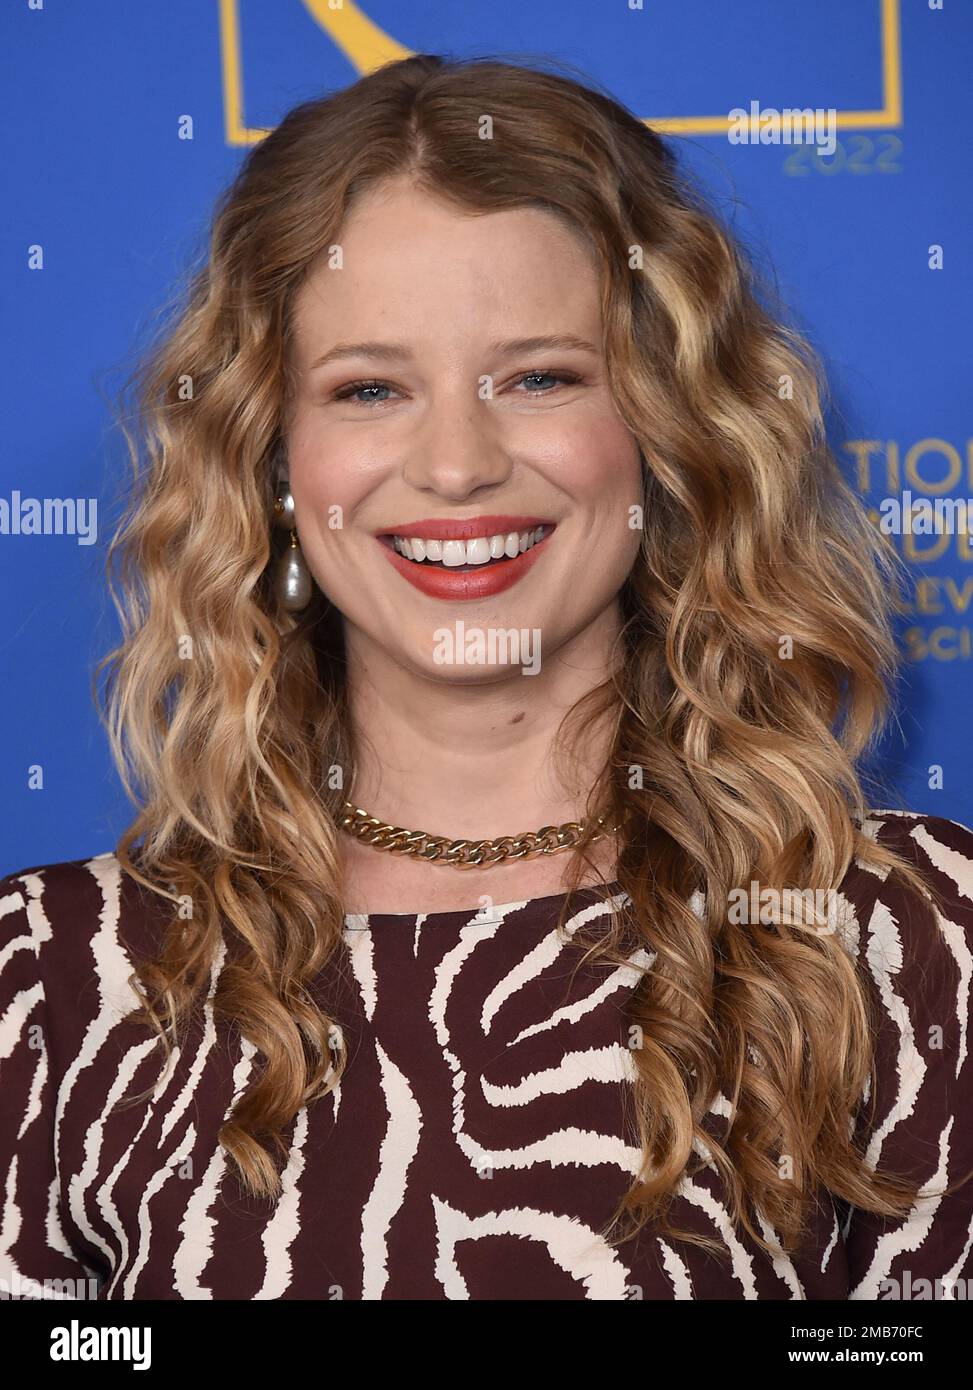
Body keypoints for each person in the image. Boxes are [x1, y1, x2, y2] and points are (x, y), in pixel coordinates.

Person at [2, 53, 972, 1302]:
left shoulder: (908, 939)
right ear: (272, 456)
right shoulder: (53, 982)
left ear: (665, 426)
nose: (456, 465)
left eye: (538, 377)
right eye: (369, 388)